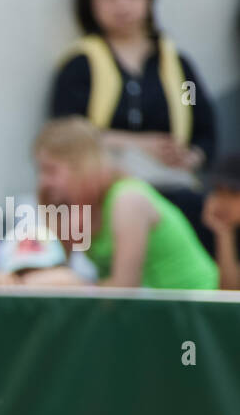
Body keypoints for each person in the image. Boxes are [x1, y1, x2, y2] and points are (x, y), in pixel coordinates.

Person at [49, 0, 218, 254]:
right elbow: (62, 133)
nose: (121, 4)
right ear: (90, 2)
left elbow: (204, 128)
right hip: (109, 187)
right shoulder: (80, 64)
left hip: (175, 186)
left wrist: (191, 156)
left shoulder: (177, 64)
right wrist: (139, 143)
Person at [34, 117, 217, 289]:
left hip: (198, 311)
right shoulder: (80, 210)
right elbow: (57, 271)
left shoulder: (127, 199)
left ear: (82, 166)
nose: (44, 182)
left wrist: (75, 286)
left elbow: (125, 290)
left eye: (51, 171)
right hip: (158, 314)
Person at [201, 154, 240, 291]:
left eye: (233, 193)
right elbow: (226, 297)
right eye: (219, 192)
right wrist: (224, 234)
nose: (224, 202)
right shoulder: (207, 227)